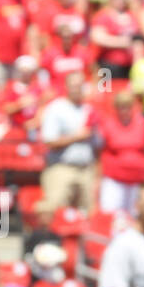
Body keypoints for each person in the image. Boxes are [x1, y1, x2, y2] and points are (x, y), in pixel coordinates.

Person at [39, 70, 99, 213]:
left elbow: (97, 145)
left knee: (87, 215)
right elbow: (49, 142)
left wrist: (98, 174)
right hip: (61, 168)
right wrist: (77, 137)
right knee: (57, 213)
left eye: (80, 85)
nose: (77, 89)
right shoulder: (56, 108)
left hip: (86, 169)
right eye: (74, 85)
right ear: (66, 87)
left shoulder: (88, 109)